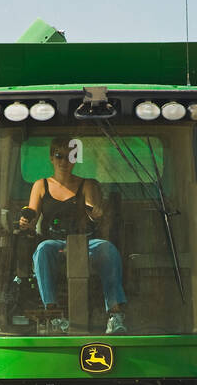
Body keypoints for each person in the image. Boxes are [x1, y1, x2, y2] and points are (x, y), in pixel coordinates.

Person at [18, 138, 126, 334]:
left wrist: (95, 214)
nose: (64, 161)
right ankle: (53, 315)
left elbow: (93, 211)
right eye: (59, 155)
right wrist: (26, 220)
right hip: (55, 243)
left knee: (107, 249)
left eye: (69, 156)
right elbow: (32, 213)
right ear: (51, 158)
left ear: (75, 159)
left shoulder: (87, 184)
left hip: (86, 241)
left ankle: (115, 314)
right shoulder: (41, 185)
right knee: (42, 249)